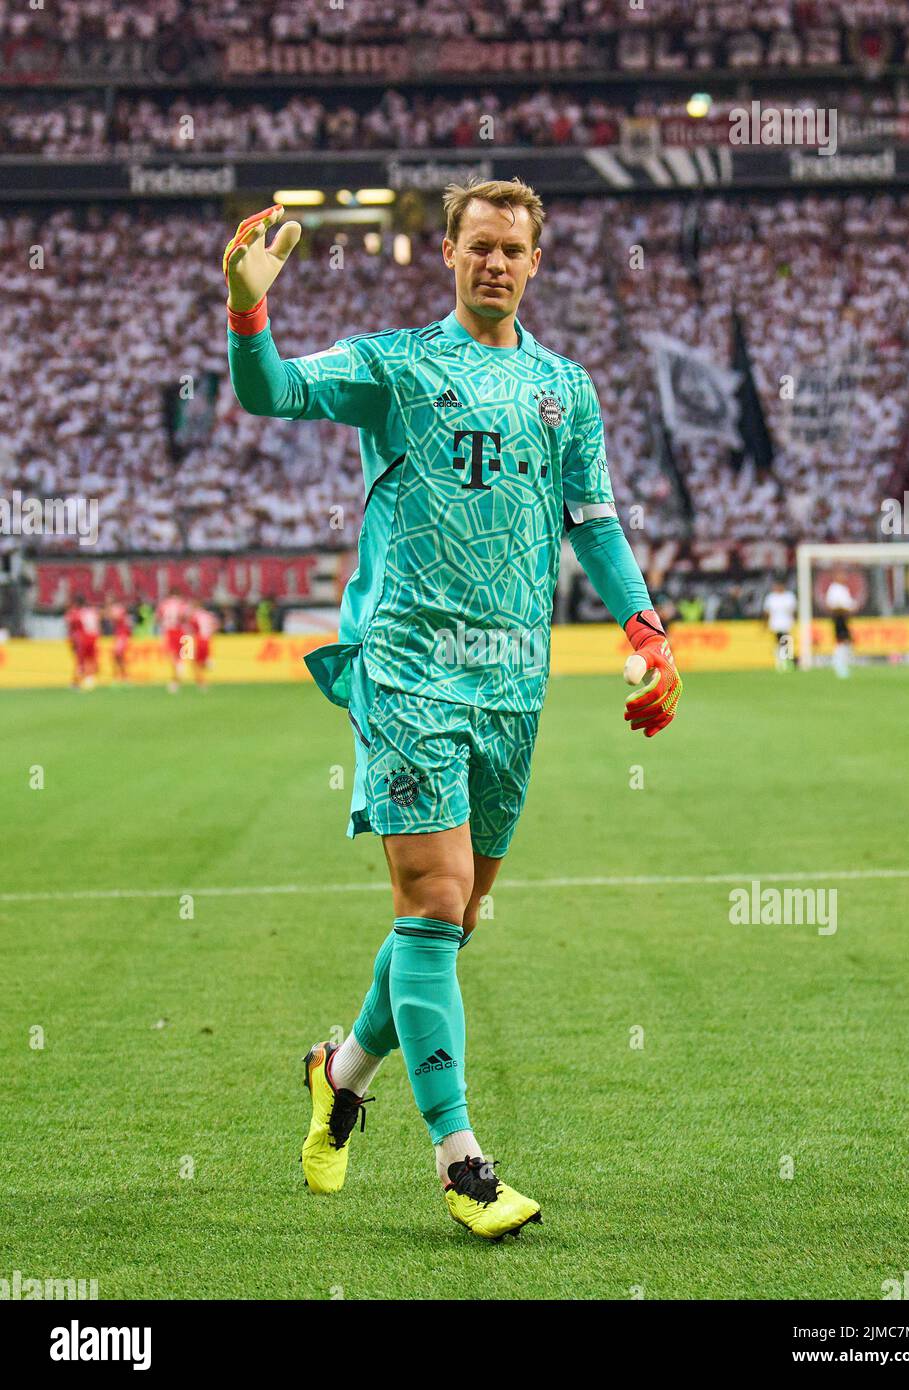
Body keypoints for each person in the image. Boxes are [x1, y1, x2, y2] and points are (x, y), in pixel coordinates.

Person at [225, 182, 683, 1240]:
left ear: (535, 259)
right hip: (407, 671)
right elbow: (274, 392)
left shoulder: (564, 387)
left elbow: (594, 524)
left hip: (512, 682)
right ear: (444, 252)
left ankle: (337, 1075)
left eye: (511, 249)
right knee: (432, 903)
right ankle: (461, 1162)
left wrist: (645, 628)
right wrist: (249, 312)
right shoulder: (394, 366)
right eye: (476, 245)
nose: (494, 262)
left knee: (455, 916)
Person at [824, 569, 855, 679]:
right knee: (842, 641)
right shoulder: (834, 589)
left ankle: (842, 664)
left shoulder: (844, 589)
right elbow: (832, 605)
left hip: (844, 618)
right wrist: (844, 609)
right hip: (839, 617)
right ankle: (838, 664)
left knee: (847, 641)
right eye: (841, 575)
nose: (844, 577)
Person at [156, 589, 188, 693]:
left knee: (172, 655)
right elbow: (184, 617)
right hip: (180, 631)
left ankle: (175, 679)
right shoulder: (182, 604)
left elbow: (158, 618)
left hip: (168, 632)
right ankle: (177, 675)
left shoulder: (164, 604)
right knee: (180, 656)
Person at [762, 579, 797, 670]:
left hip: (787, 624)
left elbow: (793, 611)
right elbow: (767, 612)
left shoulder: (789, 596)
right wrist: (765, 623)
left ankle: (784, 662)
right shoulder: (771, 597)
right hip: (775, 625)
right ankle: (782, 663)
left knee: (784, 643)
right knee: (781, 643)